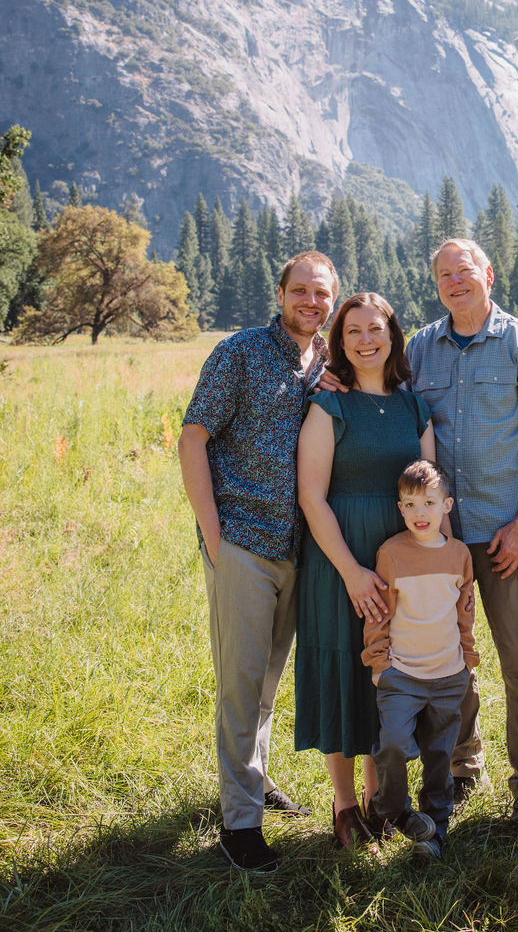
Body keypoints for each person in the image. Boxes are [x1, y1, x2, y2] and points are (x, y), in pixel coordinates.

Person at [178, 250, 339, 873]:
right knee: (242, 681)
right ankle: (239, 823)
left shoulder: (328, 363)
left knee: (270, 679)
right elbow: (194, 436)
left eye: (321, 294)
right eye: (300, 291)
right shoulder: (239, 353)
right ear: (280, 294)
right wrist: (214, 535)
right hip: (243, 540)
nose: (311, 302)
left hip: (303, 547)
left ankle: (254, 778)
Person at [406, 239, 518, 828]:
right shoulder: (421, 348)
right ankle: (460, 770)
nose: (455, 281)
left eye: (464, 270)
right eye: (443, 273)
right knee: (448, 664)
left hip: (506, 538)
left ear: (488, 275)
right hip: (439, 540)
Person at [294, 291, 435, 850]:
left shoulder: (412, 407)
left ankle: (381, 797)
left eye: (376, 329)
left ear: (393, 336)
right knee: (340, 663)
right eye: (353, 331)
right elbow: (311, 494)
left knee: (387, 670)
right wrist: (351, 571)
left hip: (400, 554)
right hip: (340, 557)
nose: (366, 339)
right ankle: (345, 803)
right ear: (339, 341)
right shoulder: (330, 405)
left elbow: (431, 485)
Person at [361, 461, 479, 861]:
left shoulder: (460, 555)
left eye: (429, 503)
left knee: (439, 756)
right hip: (402, 674)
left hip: (448, 675)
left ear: (447, 505)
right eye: (410, 505)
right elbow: (379, 613)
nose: (420, 513)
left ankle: (435, 831)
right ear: (400, 509)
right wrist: (380, 664)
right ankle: (393, 808)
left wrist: (468, 659)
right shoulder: (392, 554)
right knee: (392, 743)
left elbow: (465, 612)